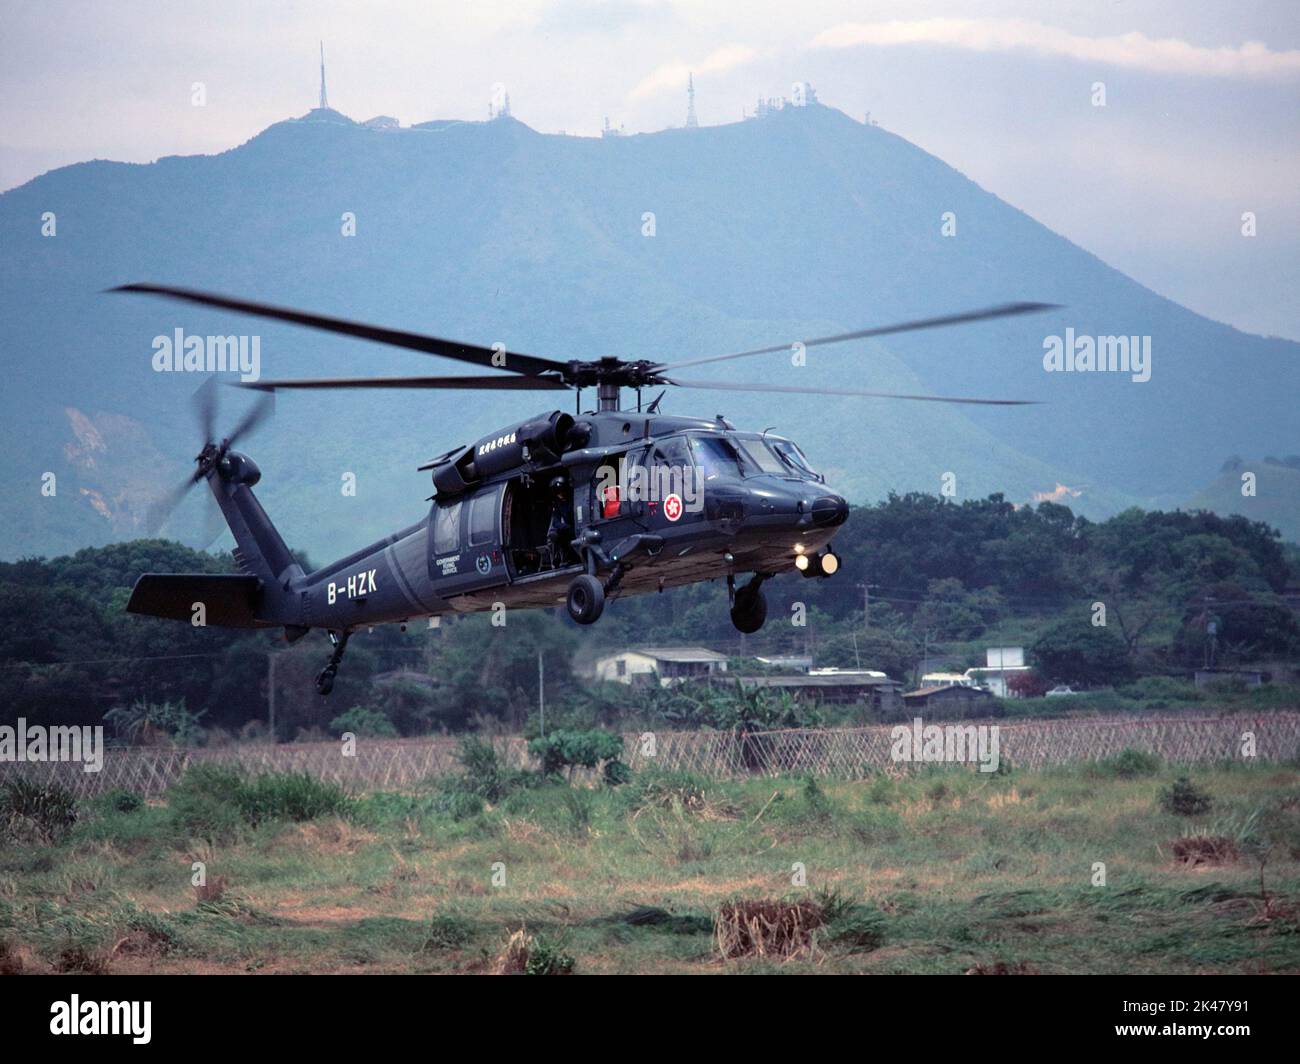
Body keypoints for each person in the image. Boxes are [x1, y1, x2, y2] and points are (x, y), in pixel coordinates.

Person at [545, 475, 574, 566]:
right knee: (555, 535)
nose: (560, 493)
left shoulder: (573, 499)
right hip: (568, 529)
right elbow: (556, 522)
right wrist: (566, 527)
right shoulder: (558, 505)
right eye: (557, 492)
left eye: (561, 490)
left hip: (577, 526)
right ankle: (561, 558)